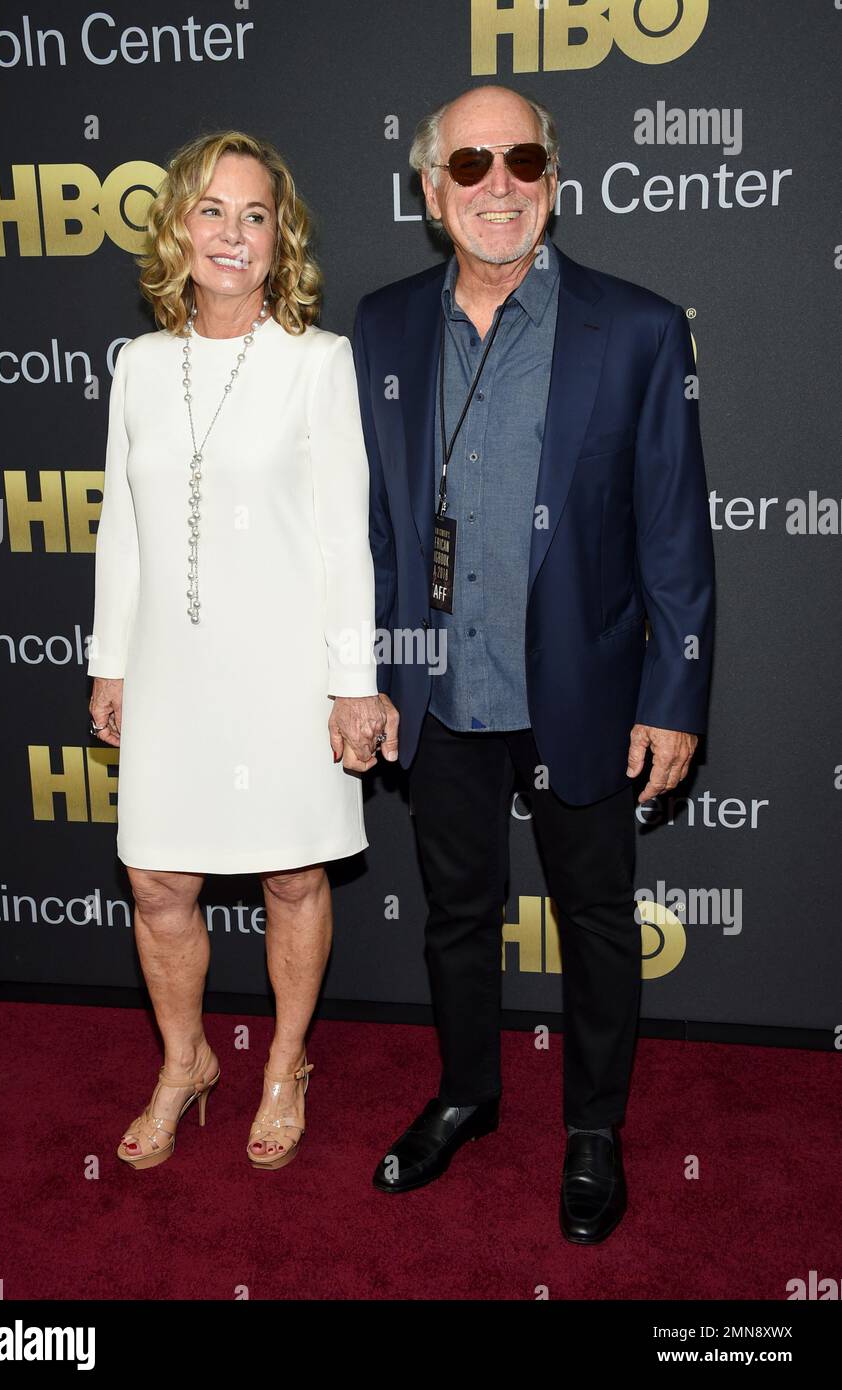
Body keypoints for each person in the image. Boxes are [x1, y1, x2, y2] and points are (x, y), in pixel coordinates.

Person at [352, 86, 715, 1241]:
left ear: (552, 182)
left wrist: (673, 694)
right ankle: (467, 1092)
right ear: (431, 192)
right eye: (469, 165)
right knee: (456, 912)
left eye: (520, 161)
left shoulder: (638, 328)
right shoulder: (382, 326)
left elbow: (675, 532)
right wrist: (370, 672)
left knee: (596, 916)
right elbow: (372, 528)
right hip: (438, 686)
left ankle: (594, 1128)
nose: (497, 185)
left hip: (583, 689)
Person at [87, 130, 386, 1171]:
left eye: (254, 215)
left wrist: (353, 683)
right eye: (211, 209)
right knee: (155, 883)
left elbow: (345, 535)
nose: (232, 232)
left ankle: (285, 1064)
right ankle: (186, 1061)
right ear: (178, 225)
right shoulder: (139, 365)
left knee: (293, 880)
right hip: (170, 672)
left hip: (286, 674)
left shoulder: (317, 362)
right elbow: (121, 529)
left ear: (279, 239)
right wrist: (111, 661)